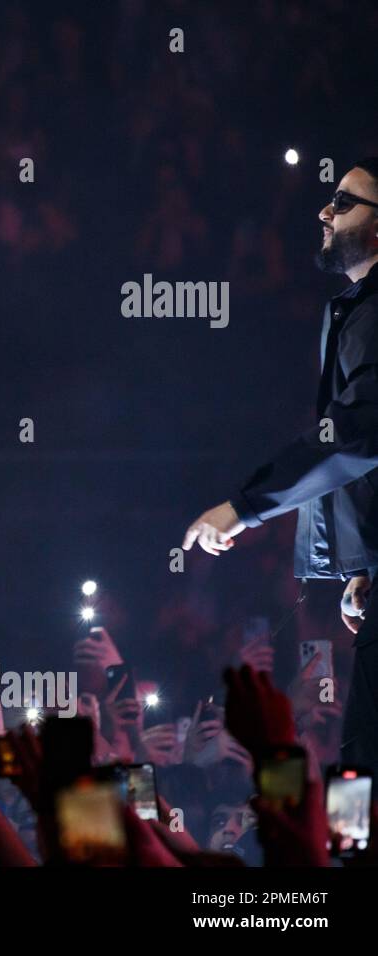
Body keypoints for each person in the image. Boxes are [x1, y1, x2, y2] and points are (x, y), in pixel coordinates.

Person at [182, 158, 378, 768]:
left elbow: (357, 434)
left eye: (344, 202)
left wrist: (245, 506)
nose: (324, 211)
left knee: (364, 771)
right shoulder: (358, 309)